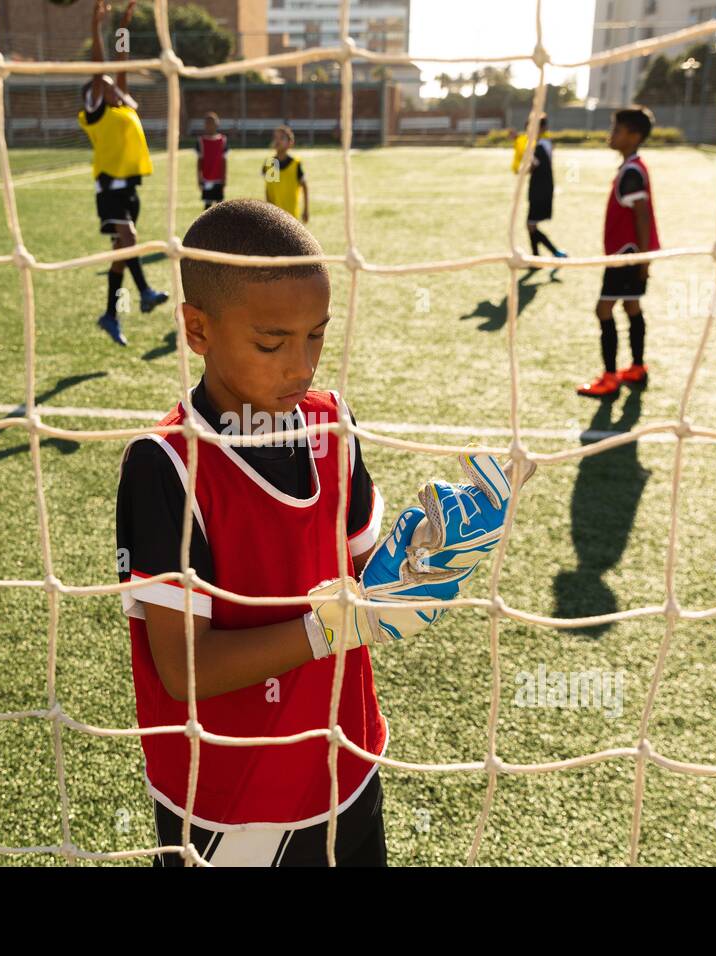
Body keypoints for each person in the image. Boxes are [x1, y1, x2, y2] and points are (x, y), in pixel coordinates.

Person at [116, 198, 514, 866]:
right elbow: (184, 668)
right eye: (272, 343)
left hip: (348, 764)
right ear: (197, 330)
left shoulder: (334, 425)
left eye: (317, 336)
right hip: (235, 806)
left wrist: (424, 557)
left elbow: (365, 579)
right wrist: (332, 628)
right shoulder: (167, 466)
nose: (300, 366)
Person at [78, 0, 169, 346]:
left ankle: (110, 315)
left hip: (131, 190)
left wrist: (122, 29)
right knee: (128, 239)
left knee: (121, 253)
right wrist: (95, 27)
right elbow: (101, 70)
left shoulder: (123, 102)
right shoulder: (97, 111)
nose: (111, 86)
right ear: (93, 97)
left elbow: (119, 65)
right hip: (109, 190)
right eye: (102, 86)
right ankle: (145, 292)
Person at [577, 107, 660, 398]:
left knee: (603, 310)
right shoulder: (632, 166)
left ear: (633, 136)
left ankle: (610, 377)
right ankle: (637, 367)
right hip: (630, 253)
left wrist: (643, 257)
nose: (611, 135)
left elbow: (642, 217)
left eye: (617, 130)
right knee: (631, 306)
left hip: (626, 254)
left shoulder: (632, 173)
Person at [524, 115, 567, 262]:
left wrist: (524, 167)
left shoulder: (539, 146)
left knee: (530, 225)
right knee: (531, 225)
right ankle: (536, 257)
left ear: (541, 128)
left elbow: (533, 166)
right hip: (543, 188)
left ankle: (554, 253)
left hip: (539, 190)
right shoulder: (546, 143)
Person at [261, 125, 309, 224]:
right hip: (274, 215)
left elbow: (304, 186)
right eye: (275, 138)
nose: (278, 140)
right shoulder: (270, 163)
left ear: (290, 143)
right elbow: (269, 189)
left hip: (292, 216)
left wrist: (306, 209)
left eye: (282, 138)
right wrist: (268, 209)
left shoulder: (295, 164)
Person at [195, 111, 228, 209]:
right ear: (204, 125)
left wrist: (224, 177)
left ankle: (221, 225)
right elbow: (199, 161)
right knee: (207, 206)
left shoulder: (223, 140)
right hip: (206, 179)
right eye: (207, 123)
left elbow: (224, 161)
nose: (210, 125)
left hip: (219, 179)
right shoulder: (201, 141)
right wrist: (199, 178)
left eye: (212, 122)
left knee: (220, 206)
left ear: (217, 124)